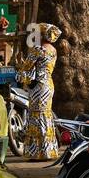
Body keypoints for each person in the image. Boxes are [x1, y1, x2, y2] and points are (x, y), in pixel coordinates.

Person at [16, 23, 61, 160]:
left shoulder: (38, 49)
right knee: (45, 116)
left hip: (38, 87)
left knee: (36, 117)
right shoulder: (53, 50)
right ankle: (48, 151)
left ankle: (36, 153)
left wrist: (19, 62)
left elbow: (26, 67)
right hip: (49, 85)